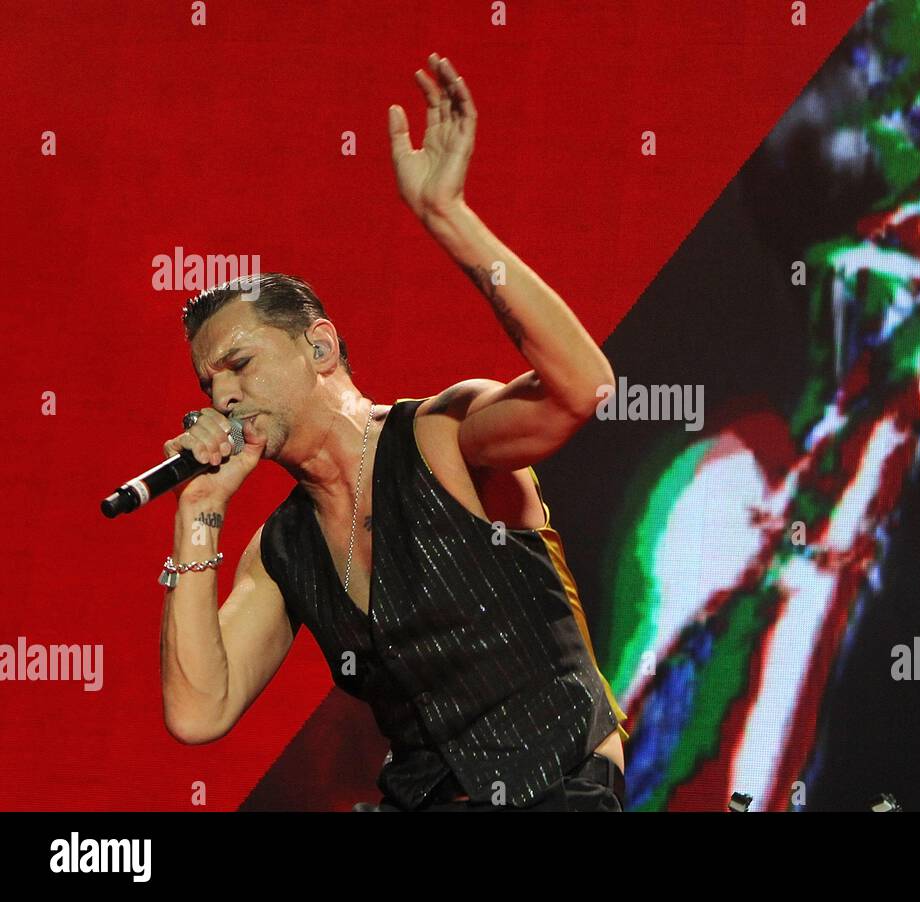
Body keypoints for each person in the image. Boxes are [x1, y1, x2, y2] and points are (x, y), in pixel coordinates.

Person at [158, 52, 629, 811]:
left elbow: (584, 388)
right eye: (208, 382)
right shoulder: (283, 550)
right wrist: (198, 516)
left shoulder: (440, 436)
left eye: (239, 364)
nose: (223, 393)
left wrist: (449, 215)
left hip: (560, 788)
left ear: (318, 346)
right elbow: (197, 711)